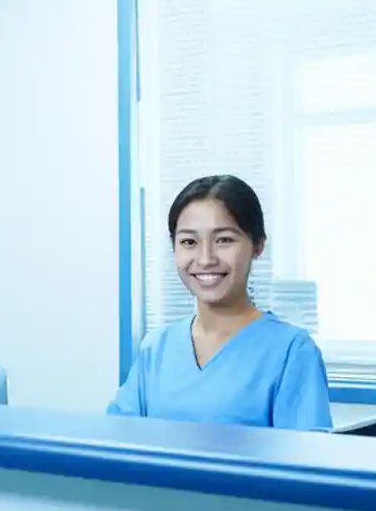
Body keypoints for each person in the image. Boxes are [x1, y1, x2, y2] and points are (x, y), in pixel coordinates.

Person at [108, 174, 332, 431]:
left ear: (258, 246)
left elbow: (304, 462)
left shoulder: (291, 352)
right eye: (189, 242)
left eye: (224, 240)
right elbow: (120, 443)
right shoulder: (157, 348)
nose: (205, 259)